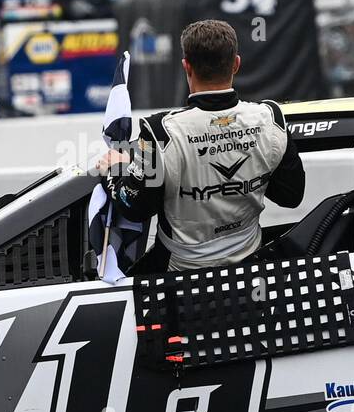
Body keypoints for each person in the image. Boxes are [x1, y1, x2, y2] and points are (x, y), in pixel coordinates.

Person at [99, 19, 305, 271]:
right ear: (236, 64)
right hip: (252, 269)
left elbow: (134, 207)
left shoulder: (159, 132)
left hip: (180, 276)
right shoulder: (271, 118)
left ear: (187, 66)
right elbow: (291, 197)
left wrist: (116, 169)